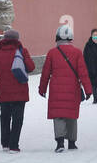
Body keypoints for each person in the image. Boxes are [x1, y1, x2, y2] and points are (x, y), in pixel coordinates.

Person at [0, 29, 35, 152]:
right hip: (20, 91)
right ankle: (14, 145)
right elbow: (31, 67)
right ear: (17, 40)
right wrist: (24, 57)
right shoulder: (22, 51)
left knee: (5, 117)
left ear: (4, 39)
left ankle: (5, 144)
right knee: (17, 119)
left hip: (3, 92)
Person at [38, 23, 92, 152]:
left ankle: (60, 143)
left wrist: (42, 89)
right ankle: (72, 143)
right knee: (71, 115)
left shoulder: (52, 53)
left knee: (58, 116)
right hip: (72, 89)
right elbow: (83, 73)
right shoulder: (77, 52)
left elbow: (45, 73)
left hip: (56, 90)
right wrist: (88, 90)